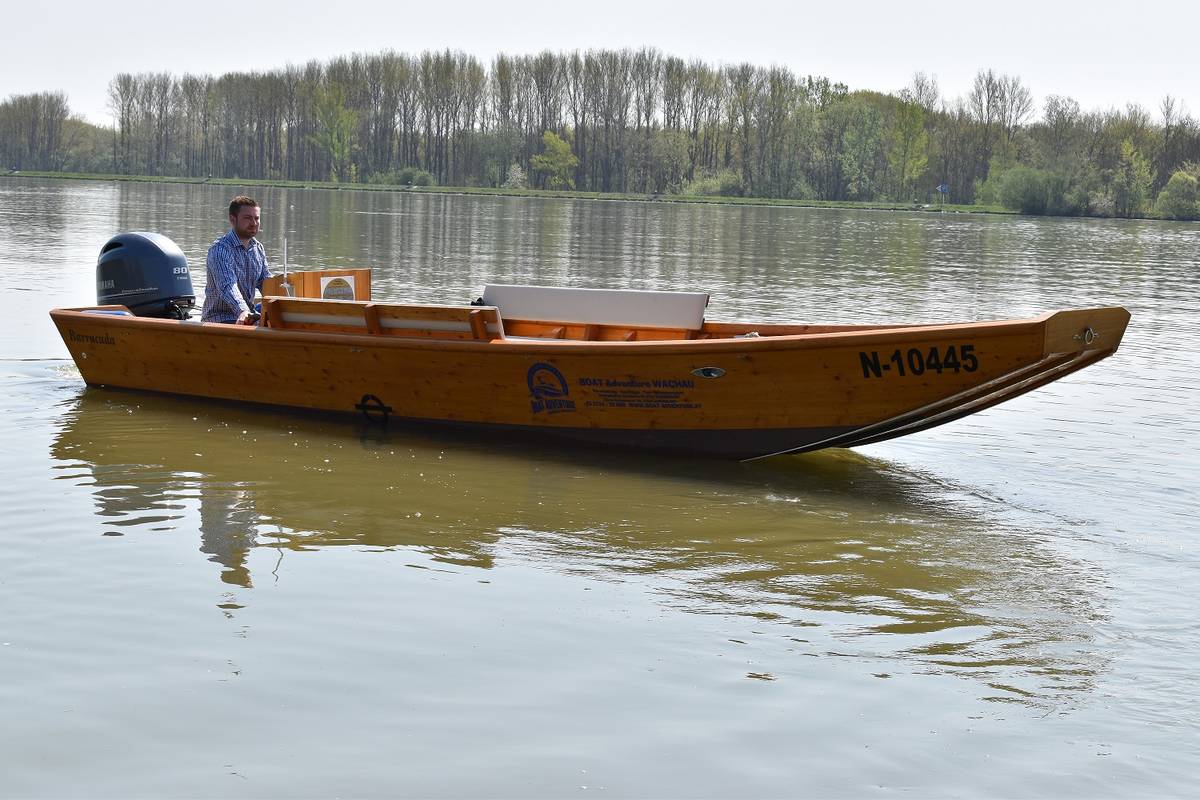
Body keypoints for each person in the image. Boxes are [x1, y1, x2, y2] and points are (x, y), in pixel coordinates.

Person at [201, 196, 271, 324]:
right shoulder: (220, 250)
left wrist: (288, 299)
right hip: (220, 319)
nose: (254, 223)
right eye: (248, 218)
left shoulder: (258, 248)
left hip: (248, 314)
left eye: (256, 218)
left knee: (278, 311)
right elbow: (228, 286)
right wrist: (243, 311)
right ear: (233, 219)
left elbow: (266, 283)